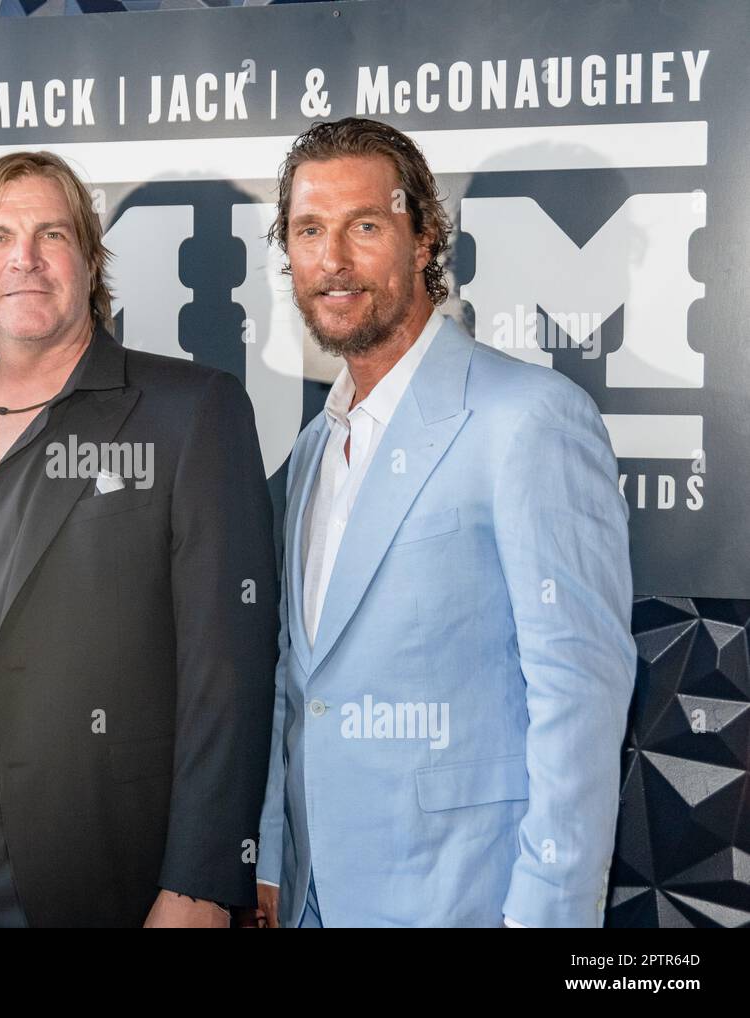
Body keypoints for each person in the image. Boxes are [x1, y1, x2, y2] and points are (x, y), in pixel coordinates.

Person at [0, 151, 278, 927]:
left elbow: (228, 669)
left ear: (90, 261)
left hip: (115, 870)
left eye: (51, 233)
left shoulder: (188, 412)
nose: (23, 257)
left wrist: (199, 883)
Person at [256, 118, 636, 927]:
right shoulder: (314, 450)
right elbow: (298, 684)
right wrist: (273, 858)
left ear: (424, 238)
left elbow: (580, 689)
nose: (333, 260)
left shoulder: (528, 419)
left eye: (365, 225)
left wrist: (547, 917)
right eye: (308, 230)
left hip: (467, 901)